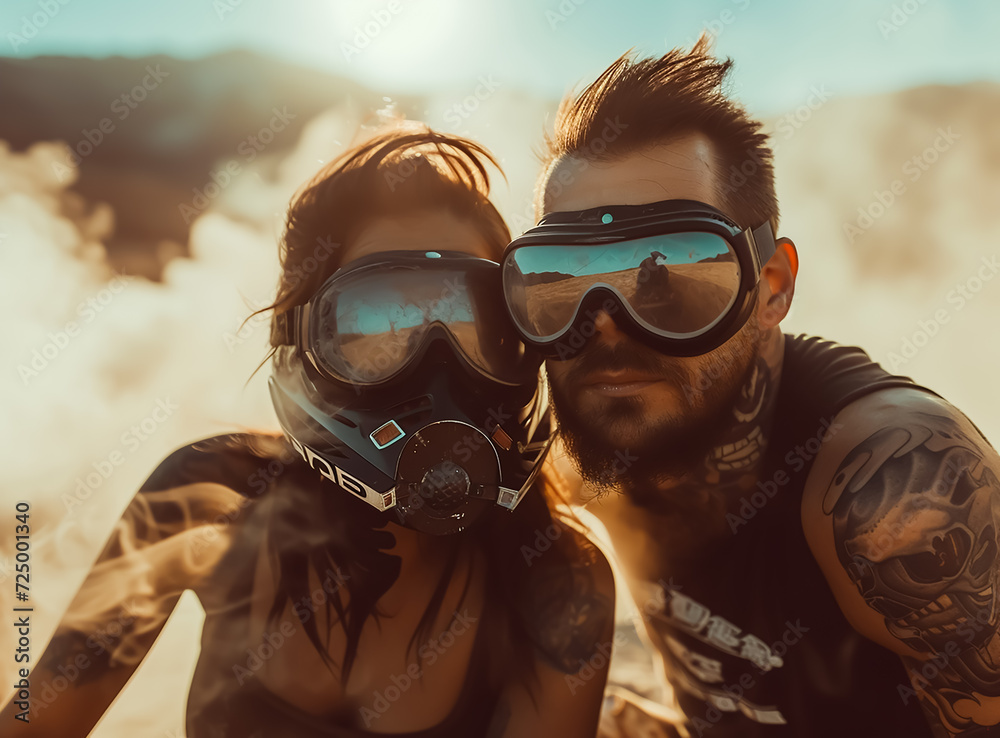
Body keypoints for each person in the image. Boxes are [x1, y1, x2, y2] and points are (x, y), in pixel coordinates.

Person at [2, 127, 615, 737]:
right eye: (381, 321)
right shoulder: (209, 500)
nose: (440, 365)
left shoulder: (557, 582)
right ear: (305, 343)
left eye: (474, 316)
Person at [500, 39, 1000, 737]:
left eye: (668, 273)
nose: (606, 326)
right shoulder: (584, 437)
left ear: (772, 288)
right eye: (565, 280)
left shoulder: (896, 493)